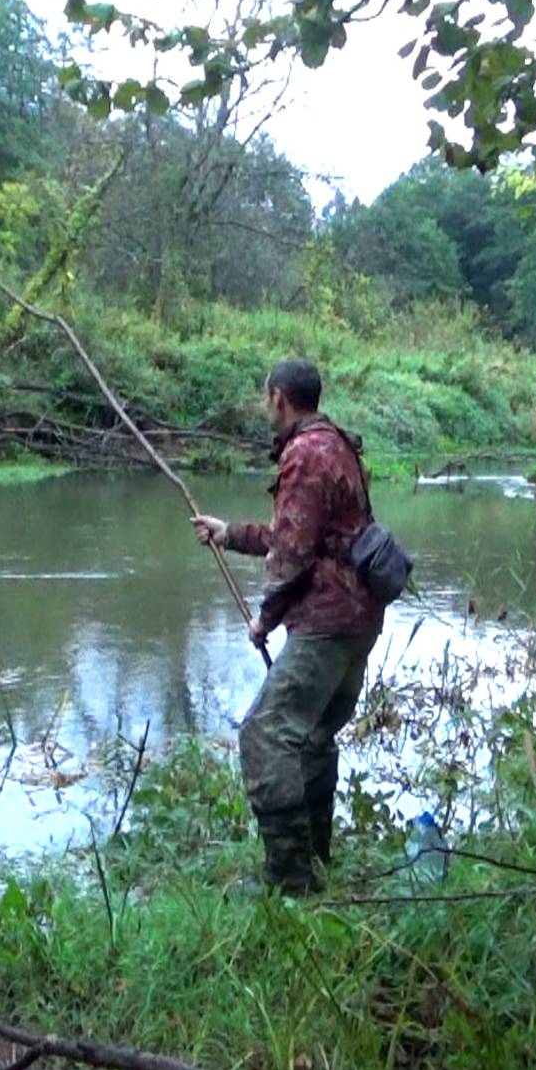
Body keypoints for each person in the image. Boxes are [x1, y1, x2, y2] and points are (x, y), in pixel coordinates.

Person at [192, 358, 384, 894]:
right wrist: (228, 533)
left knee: (266, 734)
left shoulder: (304, 454)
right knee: (314, 737)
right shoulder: (336, 444)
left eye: (265, 397)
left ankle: (291, 879)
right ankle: (317, 861)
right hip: (358, 619)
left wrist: (265, 617)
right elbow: (299, 533)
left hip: (327, 622)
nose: (264, 406)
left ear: (279, 397)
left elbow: (295, 552)